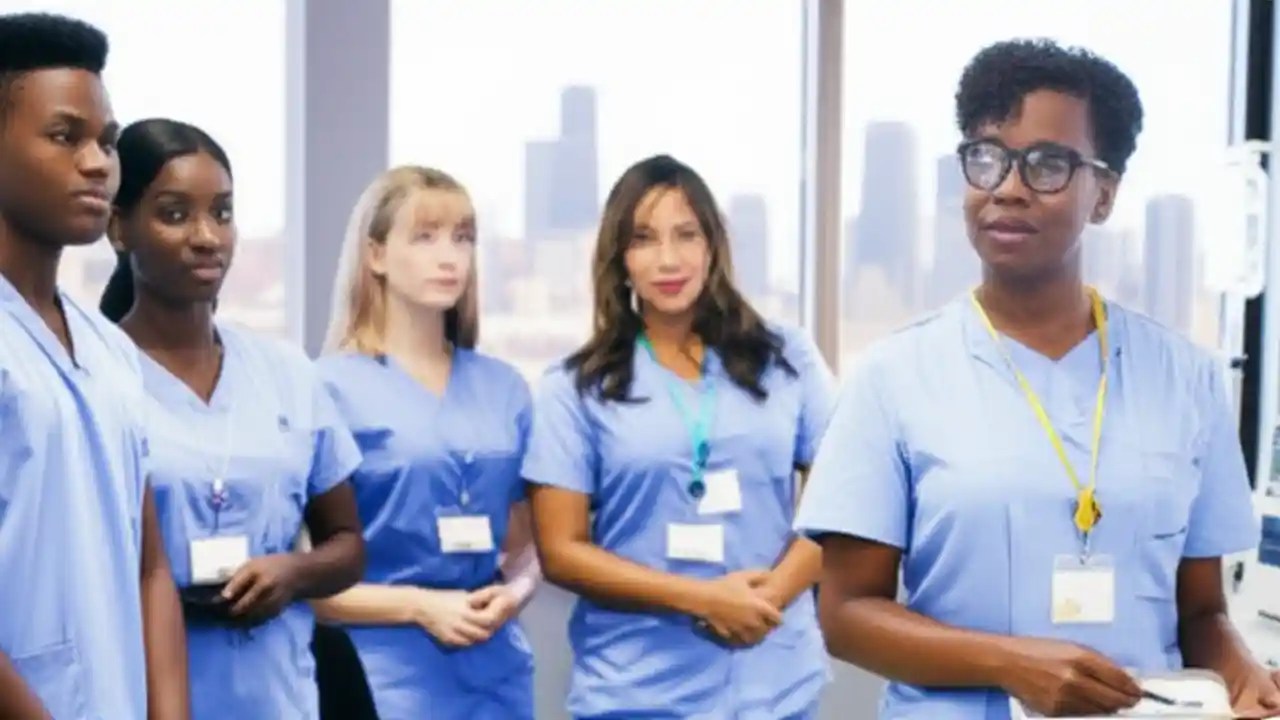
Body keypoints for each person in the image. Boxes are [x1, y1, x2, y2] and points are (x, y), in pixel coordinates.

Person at [795, 38, 1280, 719]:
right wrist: (1010, 662)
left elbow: (1201, 609)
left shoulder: (1187, 379)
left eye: (1048, 164)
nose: (1009, 187)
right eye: (987, 158)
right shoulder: (894, 376)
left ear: (1104, 194)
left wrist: (1243, 673)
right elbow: (845, 614)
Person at [522, 154, 835, 719]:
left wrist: (767, 601)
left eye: (685, 235)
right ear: (619, 259)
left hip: (775, 683)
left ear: (712, 244)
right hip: (637, 691)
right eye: (644, 239)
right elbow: (561, 552)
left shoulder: (789, 358)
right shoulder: (573, 387)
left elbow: (839, 500)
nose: (668, 259)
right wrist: (704, 599)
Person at [97, 117, 367, 719]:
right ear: (119, 227)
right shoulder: (96, 378)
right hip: (143, 697)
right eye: (174, 214)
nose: (206, 236)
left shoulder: (286, 373)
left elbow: (347, 546)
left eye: (221, 213)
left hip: (279, 697)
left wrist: (293, 573)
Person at [0, 13, 189, 719]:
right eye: (64, 136)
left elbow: (149, 565)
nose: (97, 163)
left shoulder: (109, 348)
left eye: (106, 141)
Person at [313, 166, 541, 720]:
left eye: (463, 238)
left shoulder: (505, 387)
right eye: (425, 236)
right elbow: (304, 580)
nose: (450, 256)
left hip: (495, 672)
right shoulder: (326, 389)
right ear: (376, 254)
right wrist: (418, 606)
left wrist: (515, 594)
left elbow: (529, 542)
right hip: (378, 674)